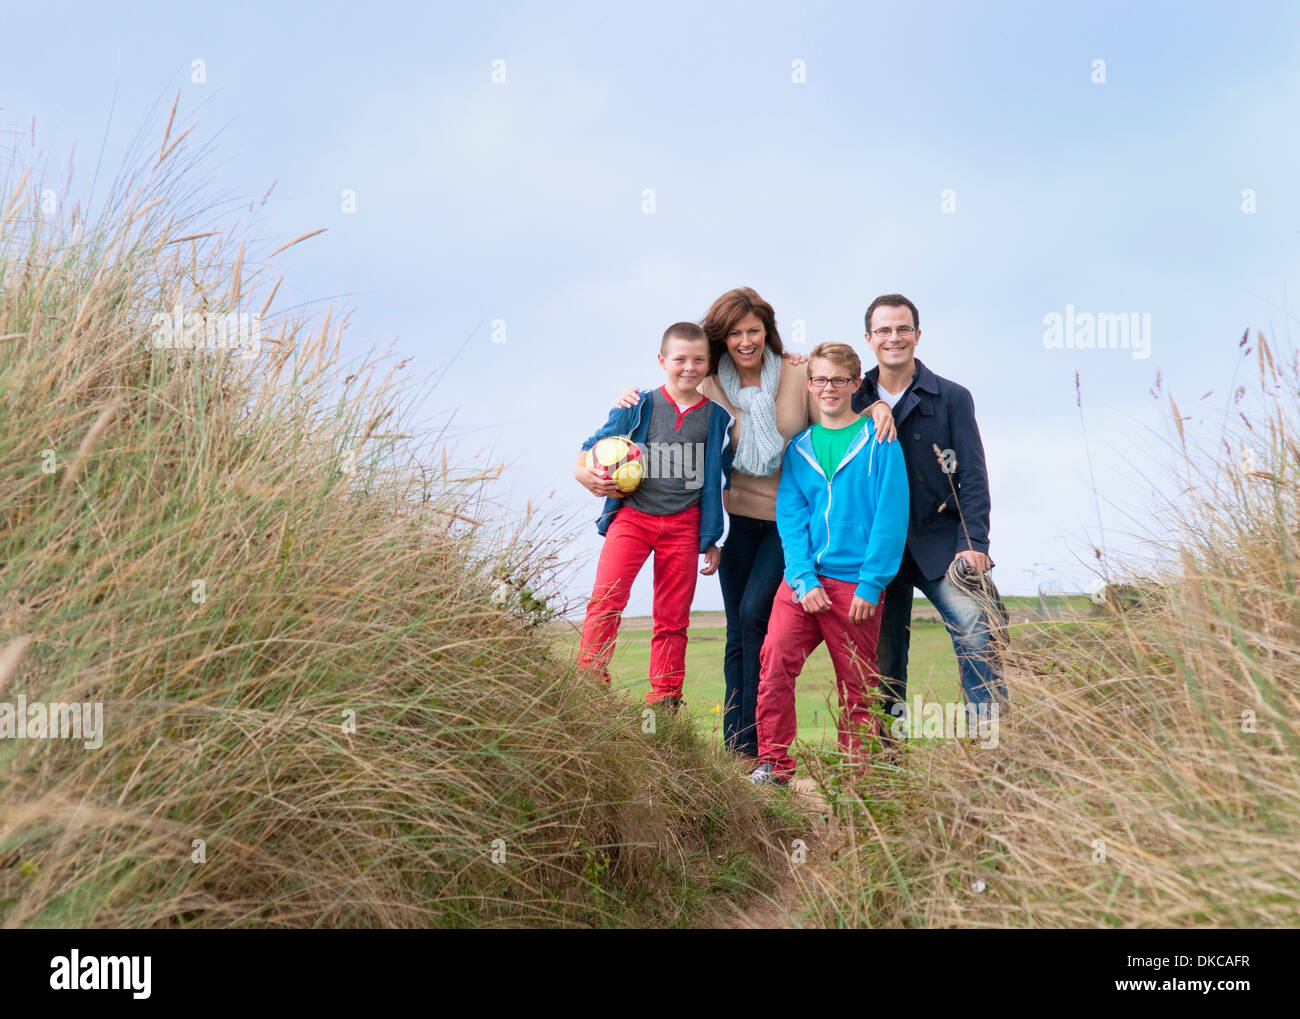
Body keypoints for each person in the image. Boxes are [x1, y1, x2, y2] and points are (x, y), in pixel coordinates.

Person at [612, 288, 895, 768]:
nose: (746, 341)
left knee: (752, 617)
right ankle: (738, 749)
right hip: (734, 522)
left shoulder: (794, 372)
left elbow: (834, 407)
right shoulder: (708, 384)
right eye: (735, 333)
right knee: (737, 632)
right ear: (721, 339)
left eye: (754, 330)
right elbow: (669, 400)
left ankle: (767, 751)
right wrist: (630, 403)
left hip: (785, 523)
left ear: (768, 330)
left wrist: (878, 407)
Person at [751, 342, 909, 785]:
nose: (829, 388)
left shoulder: (879, 442)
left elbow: (890, 519)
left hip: (854, 588)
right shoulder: (798, 449)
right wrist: (801, 579)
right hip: (803, 585)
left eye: (839, 379)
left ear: (857, 385)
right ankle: (774, 766)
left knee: (857, 688)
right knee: (774, 664)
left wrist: (871, 584)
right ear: (809, 384)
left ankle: (854, 779)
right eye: (820, 379)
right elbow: (791, 519)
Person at [849, 294, 1007, 736]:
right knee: (883, 660)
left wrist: (973, 546)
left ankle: (990, 748)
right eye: (883, 330)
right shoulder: (850, 394)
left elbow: (973, 477)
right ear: (868, 339)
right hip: (877, 551)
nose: (893, 338)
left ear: (918, 335)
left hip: (942, 545)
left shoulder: (954, 397)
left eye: (902, 329)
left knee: (978, 632)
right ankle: (887, 760)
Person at [574, 322, 734, 707]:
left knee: (672, 617)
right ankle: (588, 683)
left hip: (684, 525)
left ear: (709, 364)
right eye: (679, 359)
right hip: (633, 518)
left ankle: (664, 699)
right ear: (663, 361)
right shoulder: (638, 404)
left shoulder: (718, 419)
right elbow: (589, 449)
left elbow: (721, 483)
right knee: (606, 599)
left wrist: (715, 538)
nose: (688, 367)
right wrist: (583, 475)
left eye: (698, 360)